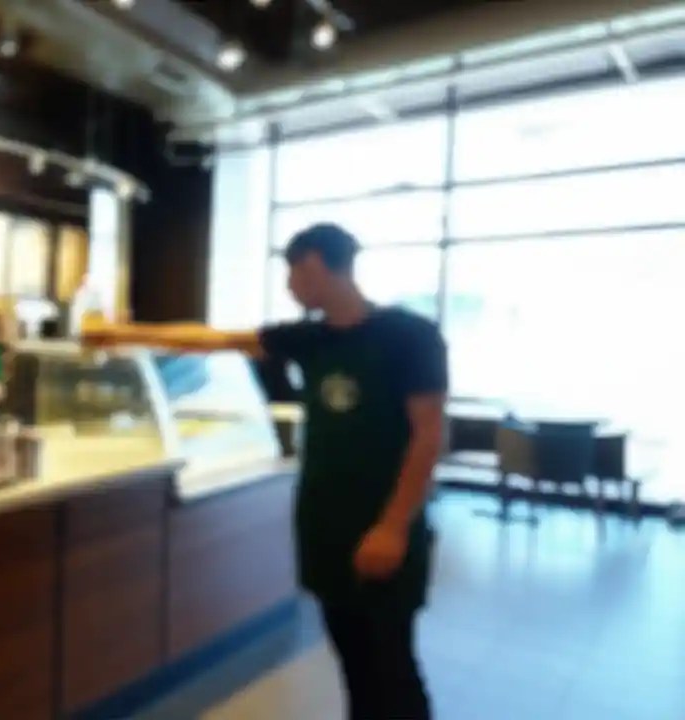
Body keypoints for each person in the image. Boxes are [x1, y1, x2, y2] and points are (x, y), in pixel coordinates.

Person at [83, 224, 446, 720]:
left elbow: (429, 436)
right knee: (354, 662)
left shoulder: (409, 335)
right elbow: (216, 340)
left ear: (314, 263)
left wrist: (392, 526)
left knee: (392, 665)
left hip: (383, 524)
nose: (289, 285)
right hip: (325, 525)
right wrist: (119, 334)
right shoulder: (311, 338)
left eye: (291, 272)